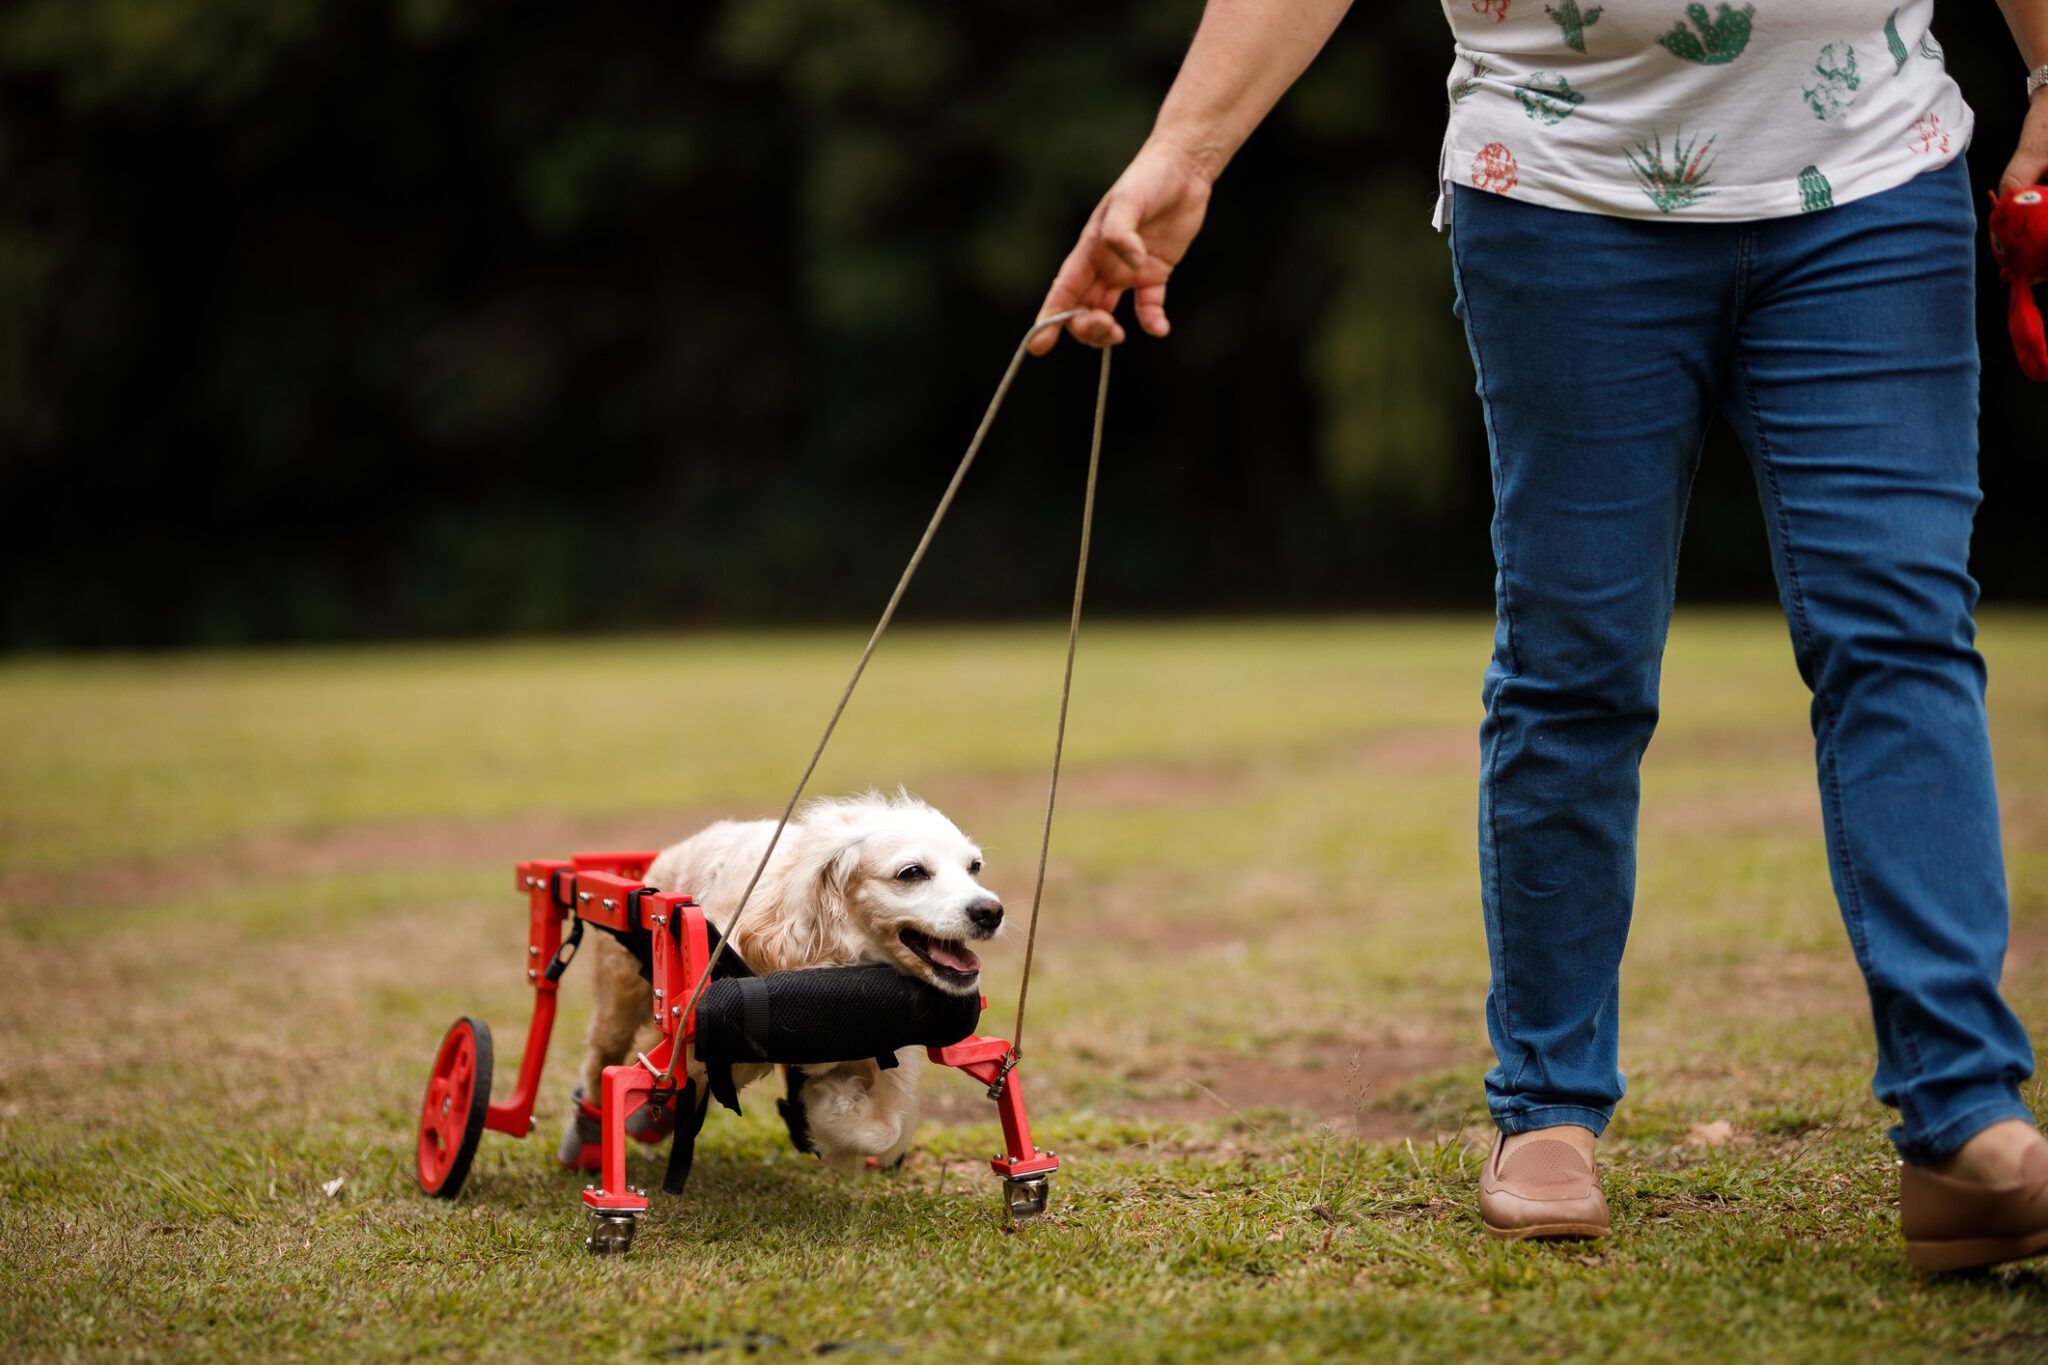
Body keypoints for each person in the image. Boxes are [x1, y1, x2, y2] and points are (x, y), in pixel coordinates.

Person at [1032, 0, 2048, 1270]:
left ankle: (1961, 1116)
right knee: (1575, 662)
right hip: (1560, 189)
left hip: (1871, 176)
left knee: (1899, 634)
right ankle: (1547, 1106)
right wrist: (1181, 154)